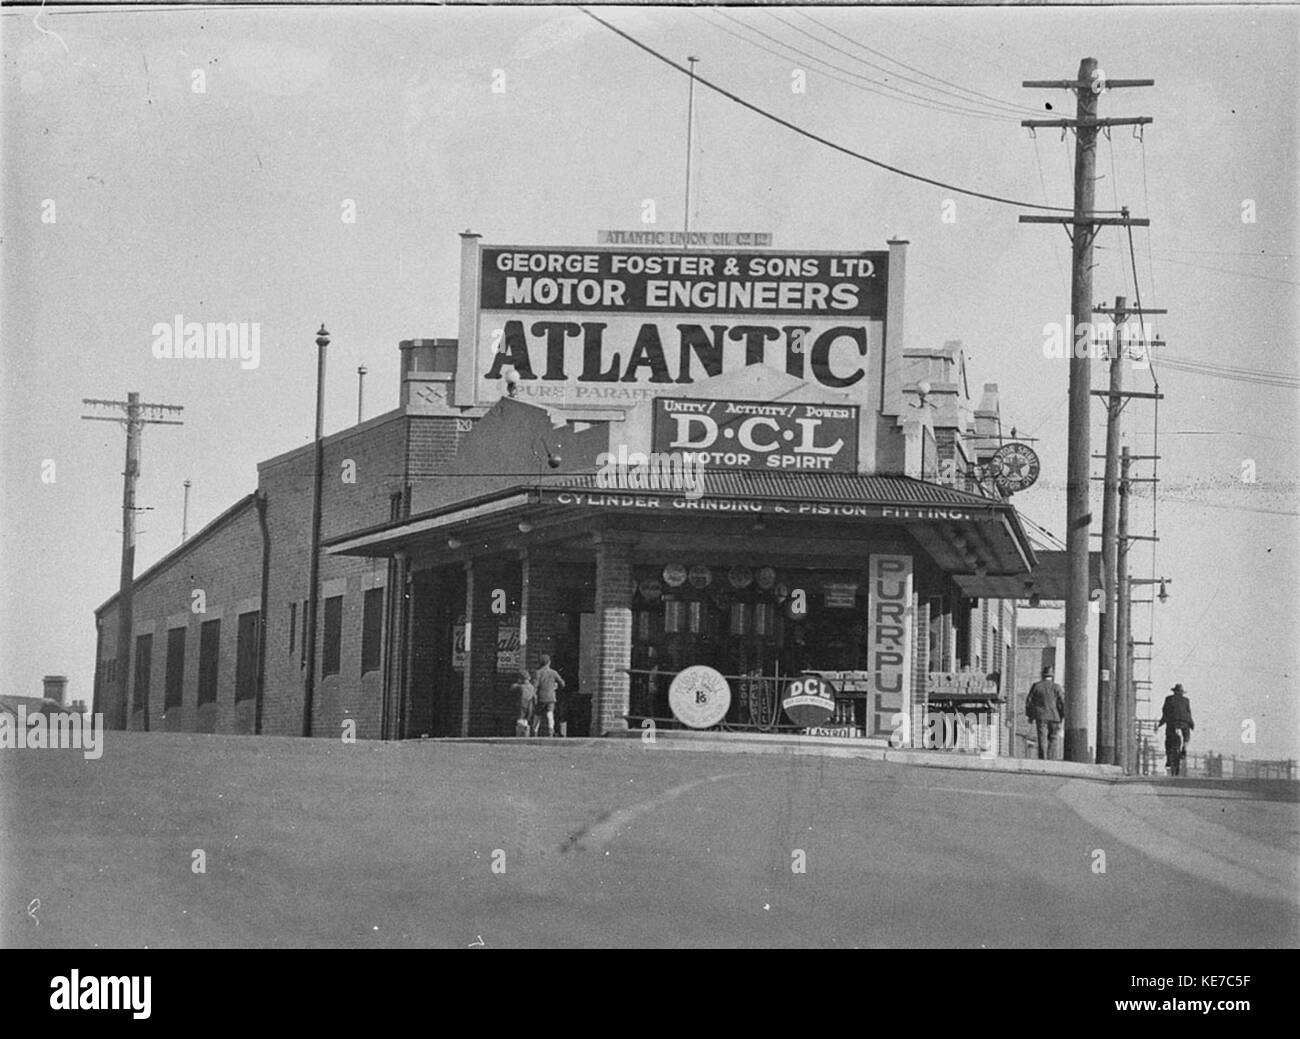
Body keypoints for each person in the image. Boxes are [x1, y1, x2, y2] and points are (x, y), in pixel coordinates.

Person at [1025, 665, 1065, 760]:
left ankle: (1043, 758)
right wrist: (1062, 716)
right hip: (1055, 717)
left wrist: (1030, 716)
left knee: (1042, 737)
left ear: (1043, 675)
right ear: (1052, 675)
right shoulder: (1057, 687)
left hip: (1041, 716)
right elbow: (1062, 703)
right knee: (1053, 738)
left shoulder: (1036, 686)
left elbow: (1029, 702)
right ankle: (1051, 758)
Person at [1156, 683, 1194, 776]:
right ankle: (1184, 747)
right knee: (1187, 736)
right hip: (1184, 723)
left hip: (1172, 723)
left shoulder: (1169, 699)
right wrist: (1191, 724)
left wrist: (1160, 724)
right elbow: (1188, 713)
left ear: (1174, 691)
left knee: (1168, 741)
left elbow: (1165, 713)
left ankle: (1169, 758)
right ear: (1182, 693)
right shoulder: (1186, 700)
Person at [533, 653, 566, 737]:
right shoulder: (553, 673)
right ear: (549, 662)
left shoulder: (538, 673)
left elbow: (535, 686)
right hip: (551, 697)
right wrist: (556, 686)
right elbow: (562, 683)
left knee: (538, 715)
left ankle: (535, 731)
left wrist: (534, 695)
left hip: (541, 697)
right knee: (550, 714)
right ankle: (551, 730)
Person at [511, 670, 535, 738]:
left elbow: (512, 687)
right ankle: (526, 734)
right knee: (526, 721)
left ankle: (520, 734)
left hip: (521, 704)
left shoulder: (520, 687)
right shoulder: (531, 687)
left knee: (520, 719)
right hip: (529, 705)